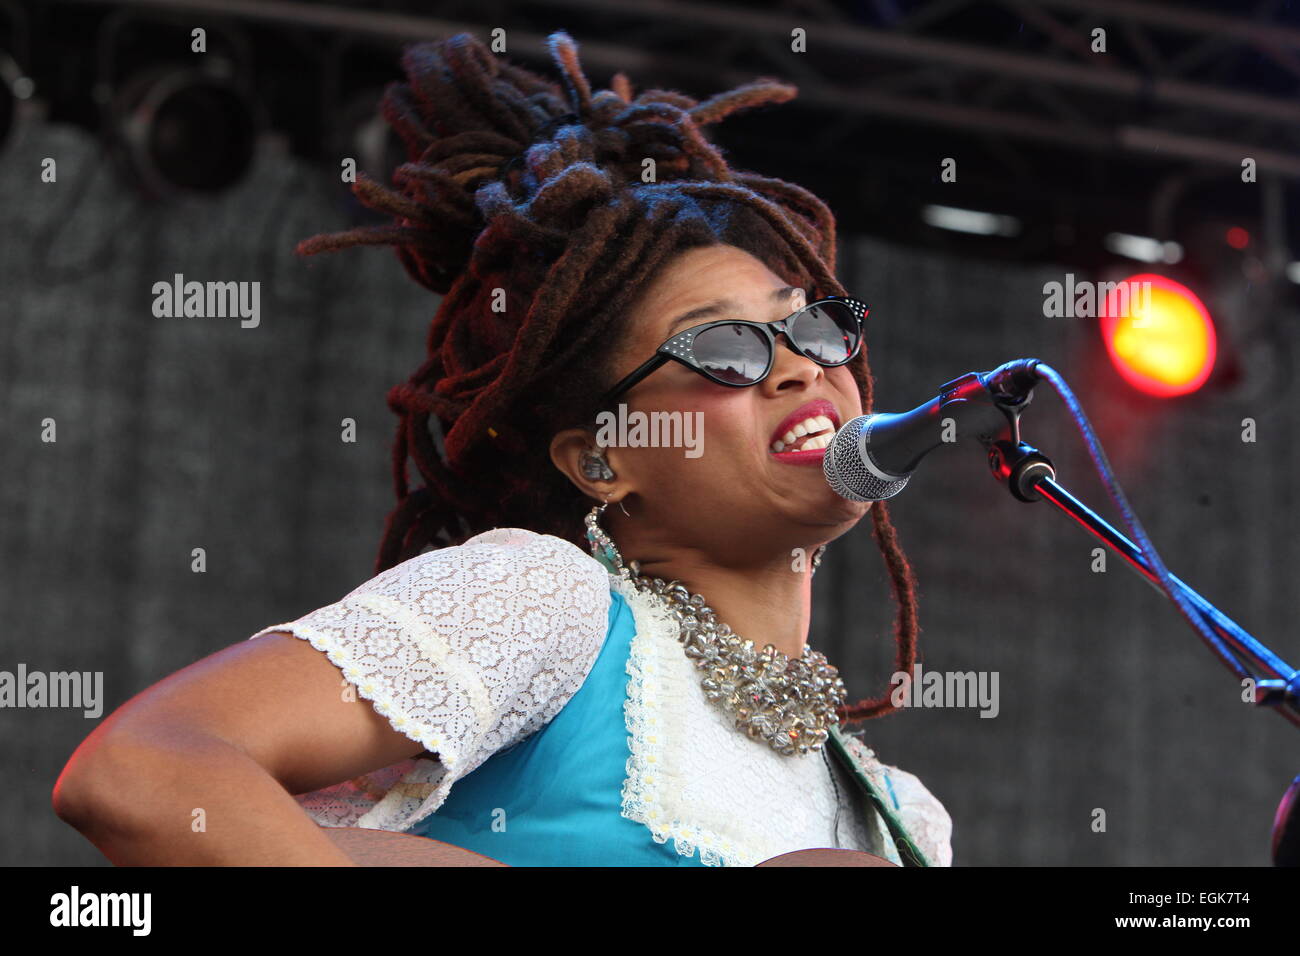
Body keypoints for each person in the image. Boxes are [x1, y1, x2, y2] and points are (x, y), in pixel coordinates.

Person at [53, 30, 951, 867]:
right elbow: (140, 769)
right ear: (603, 459)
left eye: (815, 329)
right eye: (723, 348)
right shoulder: (548, 605)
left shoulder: (902, 819)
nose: (797, 367)